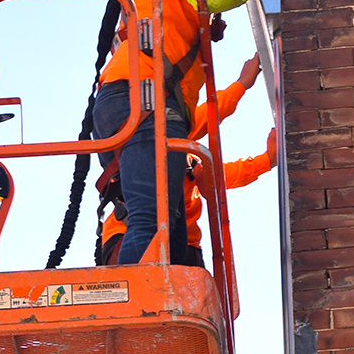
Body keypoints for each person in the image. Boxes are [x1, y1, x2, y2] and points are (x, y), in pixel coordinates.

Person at [93, 0, 267, 266]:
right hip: (141, 99)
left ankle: (142, 312)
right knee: (153, 223)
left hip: (147, 101)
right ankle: (137, 317)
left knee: (160, 223)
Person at [97, 55, 274, 266]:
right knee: (146, 227)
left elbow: (218, 174)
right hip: (130, 238)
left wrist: (268, 160)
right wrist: (242, 85)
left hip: (183, 247)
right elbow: (209, 115)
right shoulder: (159, 140)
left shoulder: (187, 158)